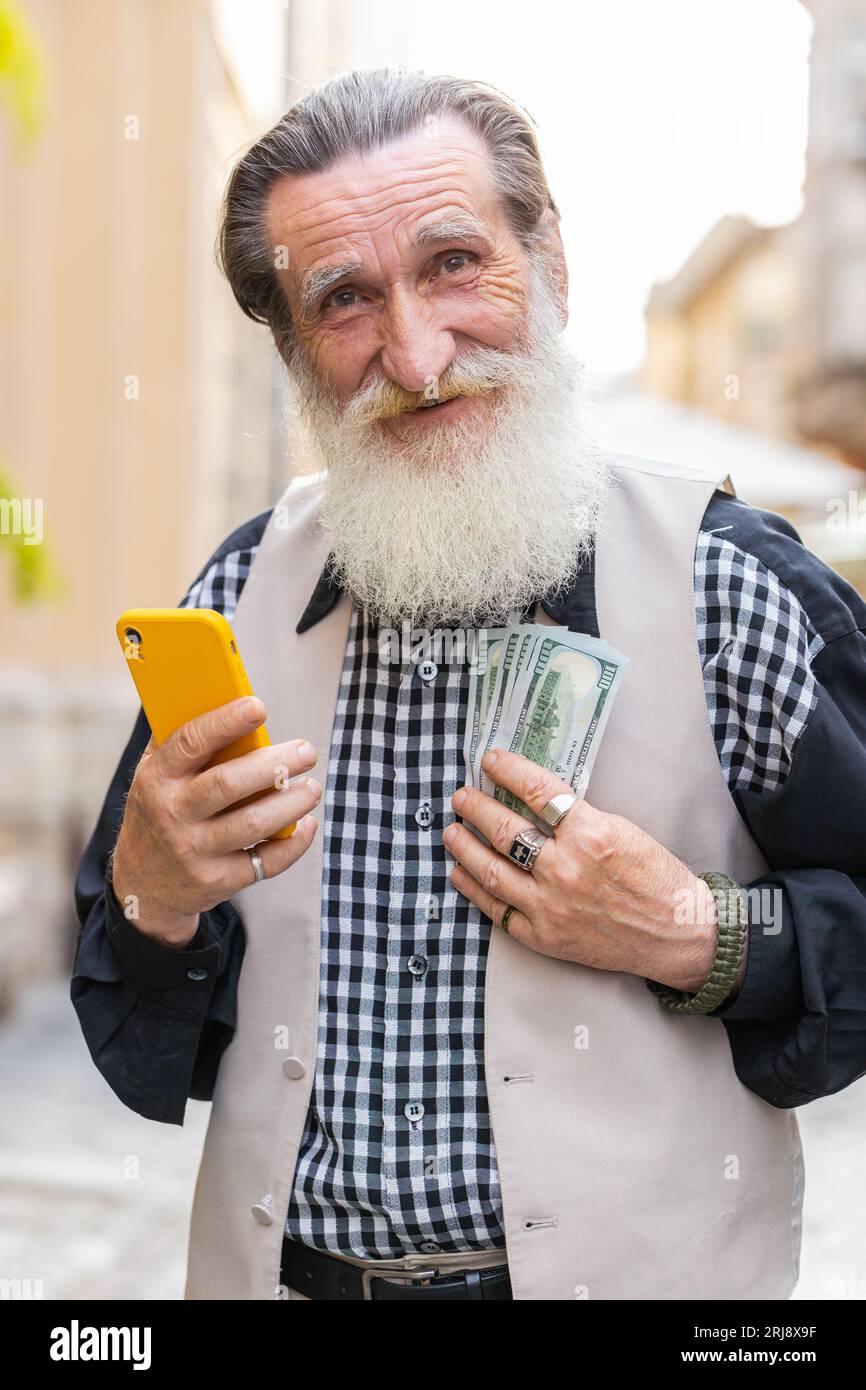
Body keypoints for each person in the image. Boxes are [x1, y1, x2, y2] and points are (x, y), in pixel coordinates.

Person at [73, 68, 866, 1301]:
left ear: (547, 258)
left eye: (452, 263)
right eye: (343, 298)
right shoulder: (235, 596)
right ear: (292, 351)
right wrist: (151, 892)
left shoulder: (734, 590)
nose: (418, 352)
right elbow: (141, 1022)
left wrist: (696, 933)